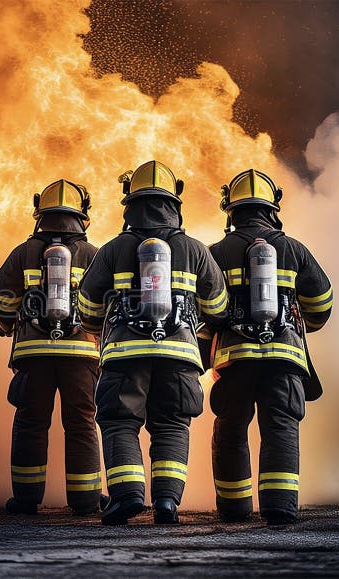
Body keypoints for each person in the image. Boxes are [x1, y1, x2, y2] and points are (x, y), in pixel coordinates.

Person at [78, 161, 229, 525]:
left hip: (124, 353)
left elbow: (86, 305)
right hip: (180, 354)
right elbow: (219, 307)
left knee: (119, 421)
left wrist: (103, 324)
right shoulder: (195, 249)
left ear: (129, 204)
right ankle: (166, 502)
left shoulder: (113, 249)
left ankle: (127, 496)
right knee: (172, 424)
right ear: (174, 203)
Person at [202, 169, 333, 526]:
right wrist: (299, 321)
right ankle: (279, 507)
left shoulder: (215, 253)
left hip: (235, 361)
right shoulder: (294, 249)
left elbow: (205, 310)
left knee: (230, 428)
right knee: (280, 427)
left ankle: (234, 508)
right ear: (272, 209)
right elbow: (322, 304)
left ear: (231, 210)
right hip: (285, 358)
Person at [0, 179, 103, 515]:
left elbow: (1, 296)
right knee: (81, 423)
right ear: (82, 216)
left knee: (31, 422)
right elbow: (108, 304)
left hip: (33, 353)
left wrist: (7, 325)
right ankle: (85, 500)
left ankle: (26, 499)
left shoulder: (23, 252)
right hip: (82, 355)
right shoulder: (94, 254)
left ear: (40, 214)